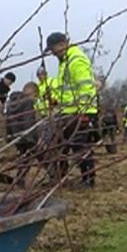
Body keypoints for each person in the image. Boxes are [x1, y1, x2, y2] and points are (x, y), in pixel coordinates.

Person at [47, 32, 98, 188]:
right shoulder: (64, 62)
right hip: (68, 112)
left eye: (53, 49)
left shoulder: (76, 60)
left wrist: (83, 112)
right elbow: (67, 90)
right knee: (70, 146)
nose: (53, 53)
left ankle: (88, 179)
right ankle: (75, 177)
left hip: (80, 112)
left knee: (81, 147)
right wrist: (56, 101)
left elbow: (86, 88)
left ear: (62, 44)